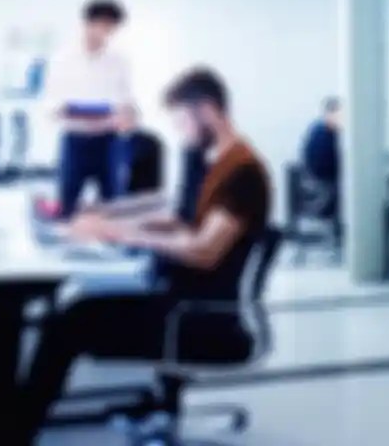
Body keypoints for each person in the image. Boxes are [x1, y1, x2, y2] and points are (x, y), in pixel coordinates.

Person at [16, 67, 271, 439]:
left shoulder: (242, 173)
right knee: (78, 301)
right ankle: (19, 418)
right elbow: (178, 217)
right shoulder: (214, 162)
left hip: (196, 319)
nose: (180, 132)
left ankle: (17, 428)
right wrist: (111, 221)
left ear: (208, 110)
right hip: (177, 297)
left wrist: (120, 232)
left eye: (181, 121)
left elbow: (204, 251)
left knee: (69, 320)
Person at [44, 0, 136, 217]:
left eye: (112, 28)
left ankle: (110, 249)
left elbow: (126, 102)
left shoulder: (119, 61)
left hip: (108, 141)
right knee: (67, 204)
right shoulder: (62, 60)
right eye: (103, 26)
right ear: (87, 23)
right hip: (75, 139)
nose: (107, 33)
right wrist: (73, 112)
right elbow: (52, 107)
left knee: (113, 205)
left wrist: (127, 116)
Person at [299, 96, 341, 225]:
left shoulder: (319, 129)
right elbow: (324, 163)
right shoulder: (322, 133)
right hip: (322, 181)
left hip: (317, 178)